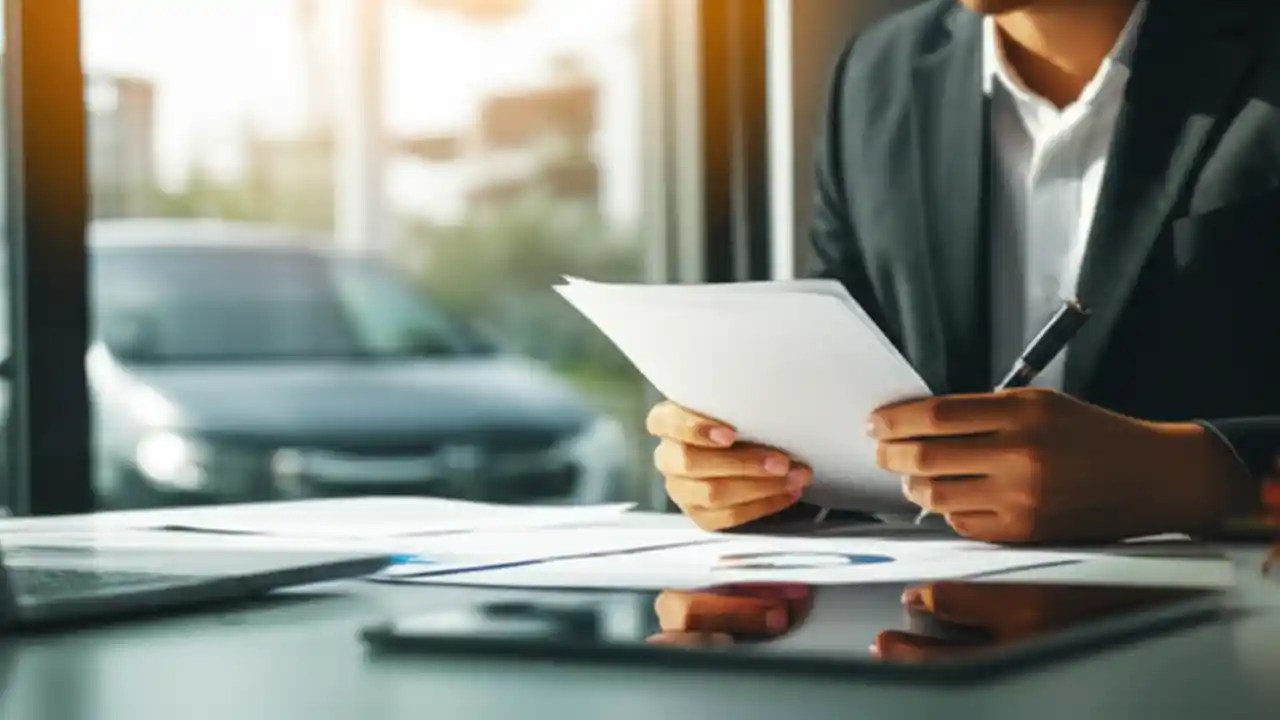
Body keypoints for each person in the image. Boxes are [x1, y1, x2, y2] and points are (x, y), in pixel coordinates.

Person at [647, 0, 1280, 542]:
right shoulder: (880, 75)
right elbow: (844, 383)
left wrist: (1192, 475)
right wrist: (755, 466)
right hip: (940, 642)